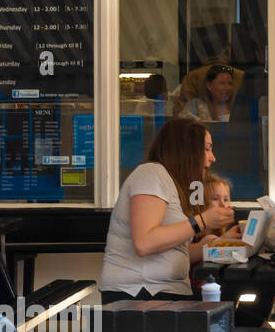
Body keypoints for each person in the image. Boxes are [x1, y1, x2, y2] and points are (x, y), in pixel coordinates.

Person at [98, 120, 238, 303]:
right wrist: (201, 221)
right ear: (186, 150)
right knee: (236, 319)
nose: (213, 157)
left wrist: (220, 243)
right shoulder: (151, 174)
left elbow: (176, 250)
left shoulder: (171, 182)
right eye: (207, 148)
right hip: (140, 296)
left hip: (161, 293)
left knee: (241, 317)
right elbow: (145, 242)